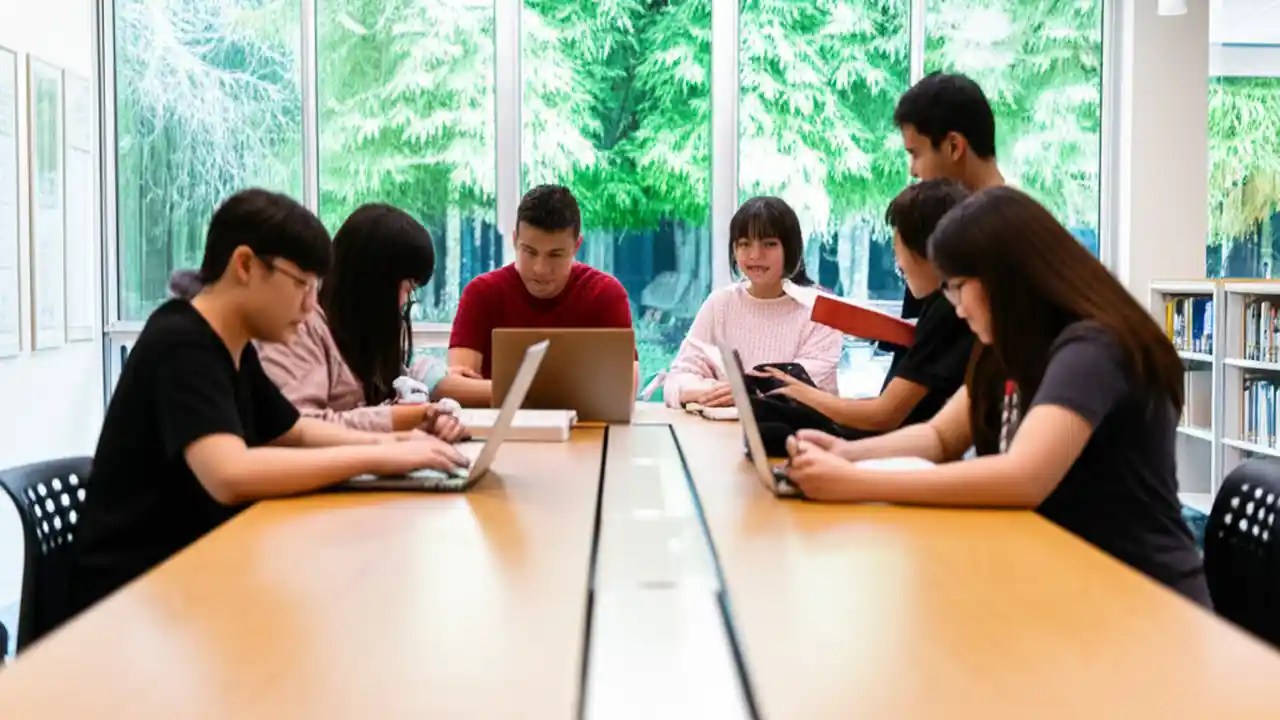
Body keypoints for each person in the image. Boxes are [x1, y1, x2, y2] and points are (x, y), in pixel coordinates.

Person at [783, 187, 1210, 607]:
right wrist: (846, 454)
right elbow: (940, 437)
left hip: (1140, 595)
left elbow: (1023, 477)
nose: (957, 307)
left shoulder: (1092, 349)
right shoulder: (1010, 346)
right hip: (1061, 575)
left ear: (1002, 278)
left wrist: (855, 482)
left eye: (956, 287)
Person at [70, 189, 469, 615]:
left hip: (192, 573)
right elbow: (230, 472)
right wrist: (373, 460)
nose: (311, 304)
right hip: (133, 596)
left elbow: (294, 429)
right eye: (302, 283)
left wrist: (397, 445)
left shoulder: (233, 347)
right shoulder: (181, 341)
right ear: (245, 265)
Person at [761, 181, 974, 433]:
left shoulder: (948, 310)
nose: (897, 262)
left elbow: (884, 415)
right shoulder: (937, 305)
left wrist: (802, 394)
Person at [257, 203, 468, 441]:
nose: (405, 303)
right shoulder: (300, 329)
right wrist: (400, 421)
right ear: (373, 284)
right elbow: (298, 426)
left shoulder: (357, 336)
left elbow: (398, 385)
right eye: (407, 287)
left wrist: (428, 419)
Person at [447, 184, 637, 406]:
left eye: (555, 255)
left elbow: (625, 388)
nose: (540, 269)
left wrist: (509, 391)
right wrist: (558, 392)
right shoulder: (482, 293)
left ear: (576, 247)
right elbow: (455, 387)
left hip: (585, 431)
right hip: (501, 431)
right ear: (515, 240)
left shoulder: (604, 294)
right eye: (529, 252)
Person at [663, 196, 841, 408]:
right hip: (719, 432)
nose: (755, 255)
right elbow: (679, 377)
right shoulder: (720, 303)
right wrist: (705, 391)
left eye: (769, 244)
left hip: (799, 435)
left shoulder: (821, 310)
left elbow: (800, 390)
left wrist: (747, 392)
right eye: (745, 244)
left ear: (791, 248)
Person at [887, 71, 1007, 344]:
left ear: (954, 146)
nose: (913, 171)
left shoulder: (1001, 233)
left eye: (916, 154)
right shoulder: (950, 223)